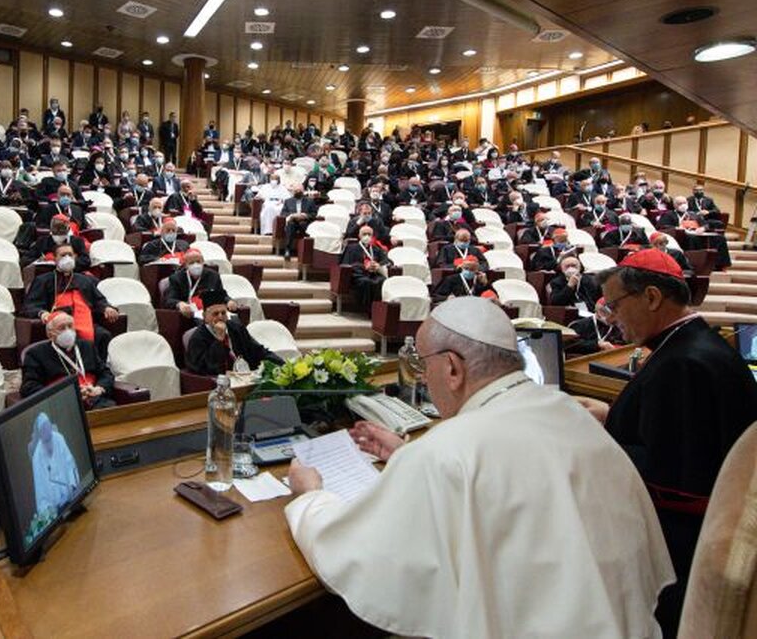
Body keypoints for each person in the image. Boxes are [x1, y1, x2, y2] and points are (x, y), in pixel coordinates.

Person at [285, 297, 674, 637]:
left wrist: (310, 497)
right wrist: (405, 454)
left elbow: (354, 555)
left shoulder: (444, 451)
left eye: (424, 364)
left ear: (452, 368)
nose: (425, 377)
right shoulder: (569, 413)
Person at [579, 250, 757, 634]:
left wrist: (591, 442)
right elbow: (674, 435)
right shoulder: (693, 344)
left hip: (682, 553)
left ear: (652, 297)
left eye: (614, 305)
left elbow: (673, 479)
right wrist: (611, 417)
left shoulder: (683, 363)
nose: (611, 318)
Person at [23, 243, 121, 358]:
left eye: (70, 255)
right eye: (63, 255)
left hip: (85, 321)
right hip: (61, 323)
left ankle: (98, 367)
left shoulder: (85, 280)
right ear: (55, 258)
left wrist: (107, 307)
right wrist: (43, 313)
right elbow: (31, 305)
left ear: (75, 257)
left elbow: (99, 300)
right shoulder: (43, 280)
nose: (67, 258)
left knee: (103, 335)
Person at [21, 312, 115, 410]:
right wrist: (64, 394)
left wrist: (99, 388)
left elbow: (106, 373)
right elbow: (29, 387)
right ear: (50, 334)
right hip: (60, 403)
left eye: (70, 326)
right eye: (62, 328)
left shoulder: (87, 346)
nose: (68, 331)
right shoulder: (36, 354)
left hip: (94, 398)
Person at [186, 288, 281, 376]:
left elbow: (258, 351)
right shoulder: (197, 338)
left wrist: (281, 365)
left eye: (223, 313)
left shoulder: (236, 328)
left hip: (246, 376)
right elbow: (207, 369)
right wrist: (219, 340)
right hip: (219, 382)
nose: (220, 317)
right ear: (205, 317)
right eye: (215, 314)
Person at [30, 412, 80, 517]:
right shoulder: (37, 457)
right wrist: (48, 509)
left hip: (70, 496)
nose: (47, 430)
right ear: (40, 433)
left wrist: (72, 486)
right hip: (55, 507)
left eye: (47, 426)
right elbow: (40, 488)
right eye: (43, 429)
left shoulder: (59, 439)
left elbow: (70, 464)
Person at [338, 225, 387, 314]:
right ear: (359, 236)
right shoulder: (351, 248)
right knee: (365, 282)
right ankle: (366, 309)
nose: (367, 236)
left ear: (372, 236)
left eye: (369, 234)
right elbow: (346, 263)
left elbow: (387, 261)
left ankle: (377, 310)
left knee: (382, 280)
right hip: (358, 274)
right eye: (364, 234)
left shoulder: (376, 249)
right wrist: (364, 266)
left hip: (374, 274)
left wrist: (378, 265)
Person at [279, 184, 317, 258]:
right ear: (293, 191)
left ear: (303, 191)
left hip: (305, 221)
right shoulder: (288, 201)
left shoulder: (310, 201)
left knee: (304, 225)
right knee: (290, 225)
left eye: (299, 190)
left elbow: (314, 214)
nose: (298, 192)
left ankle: (305, 252)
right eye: (296, 191)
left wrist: (305, 215)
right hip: (293, 221)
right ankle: (287, 250)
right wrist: (292, 215)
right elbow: (283, 213)